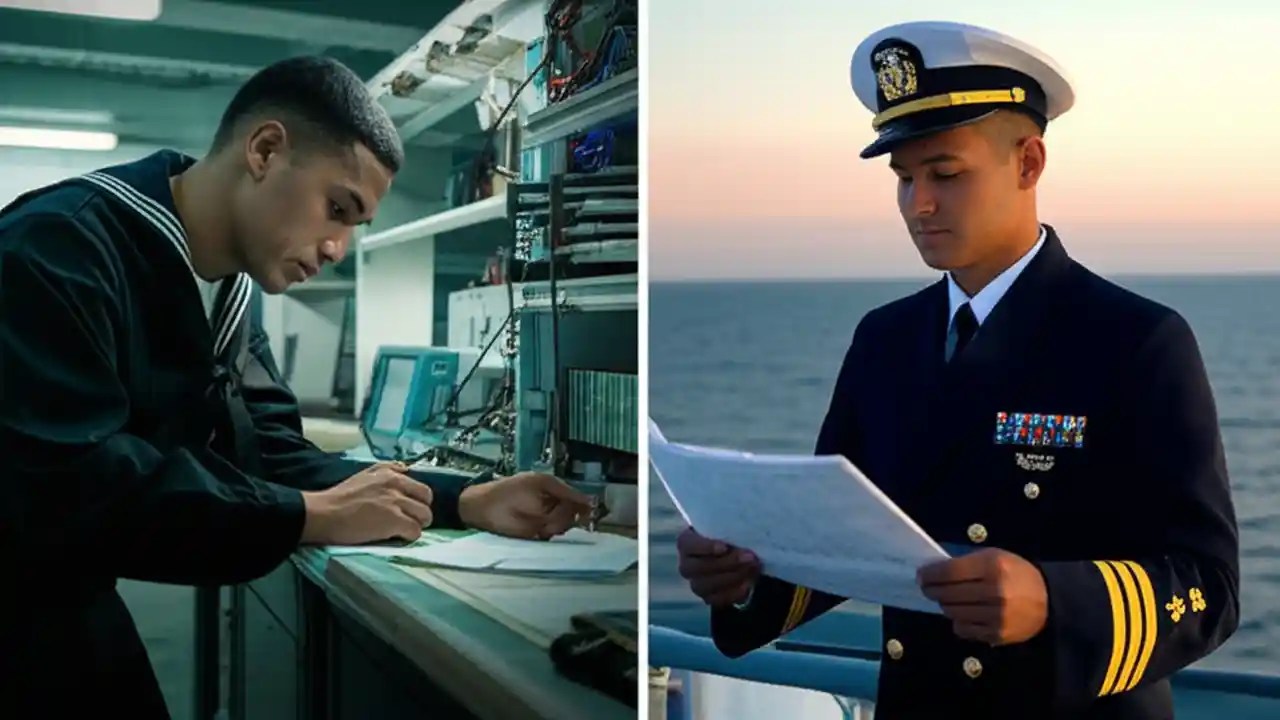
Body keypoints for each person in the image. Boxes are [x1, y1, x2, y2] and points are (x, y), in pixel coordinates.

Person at [675, 20, 1240, 719]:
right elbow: (839, 542)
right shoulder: (884, 341)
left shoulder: (1136, 341)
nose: (919, 203)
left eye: (946, 174)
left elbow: (1209, 585)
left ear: (1028, 163)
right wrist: (742, 579)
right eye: (904, 178)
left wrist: (1053, 602)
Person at [0, 56, 594, 717]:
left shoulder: (227, 295)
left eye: (354, 225)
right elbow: (74, 487)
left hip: (62, 594)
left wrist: (468, 499)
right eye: (337, 209)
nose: (339, 247)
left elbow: (275, 456)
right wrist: (307, 516)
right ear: (264, 150)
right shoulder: (54, 251)